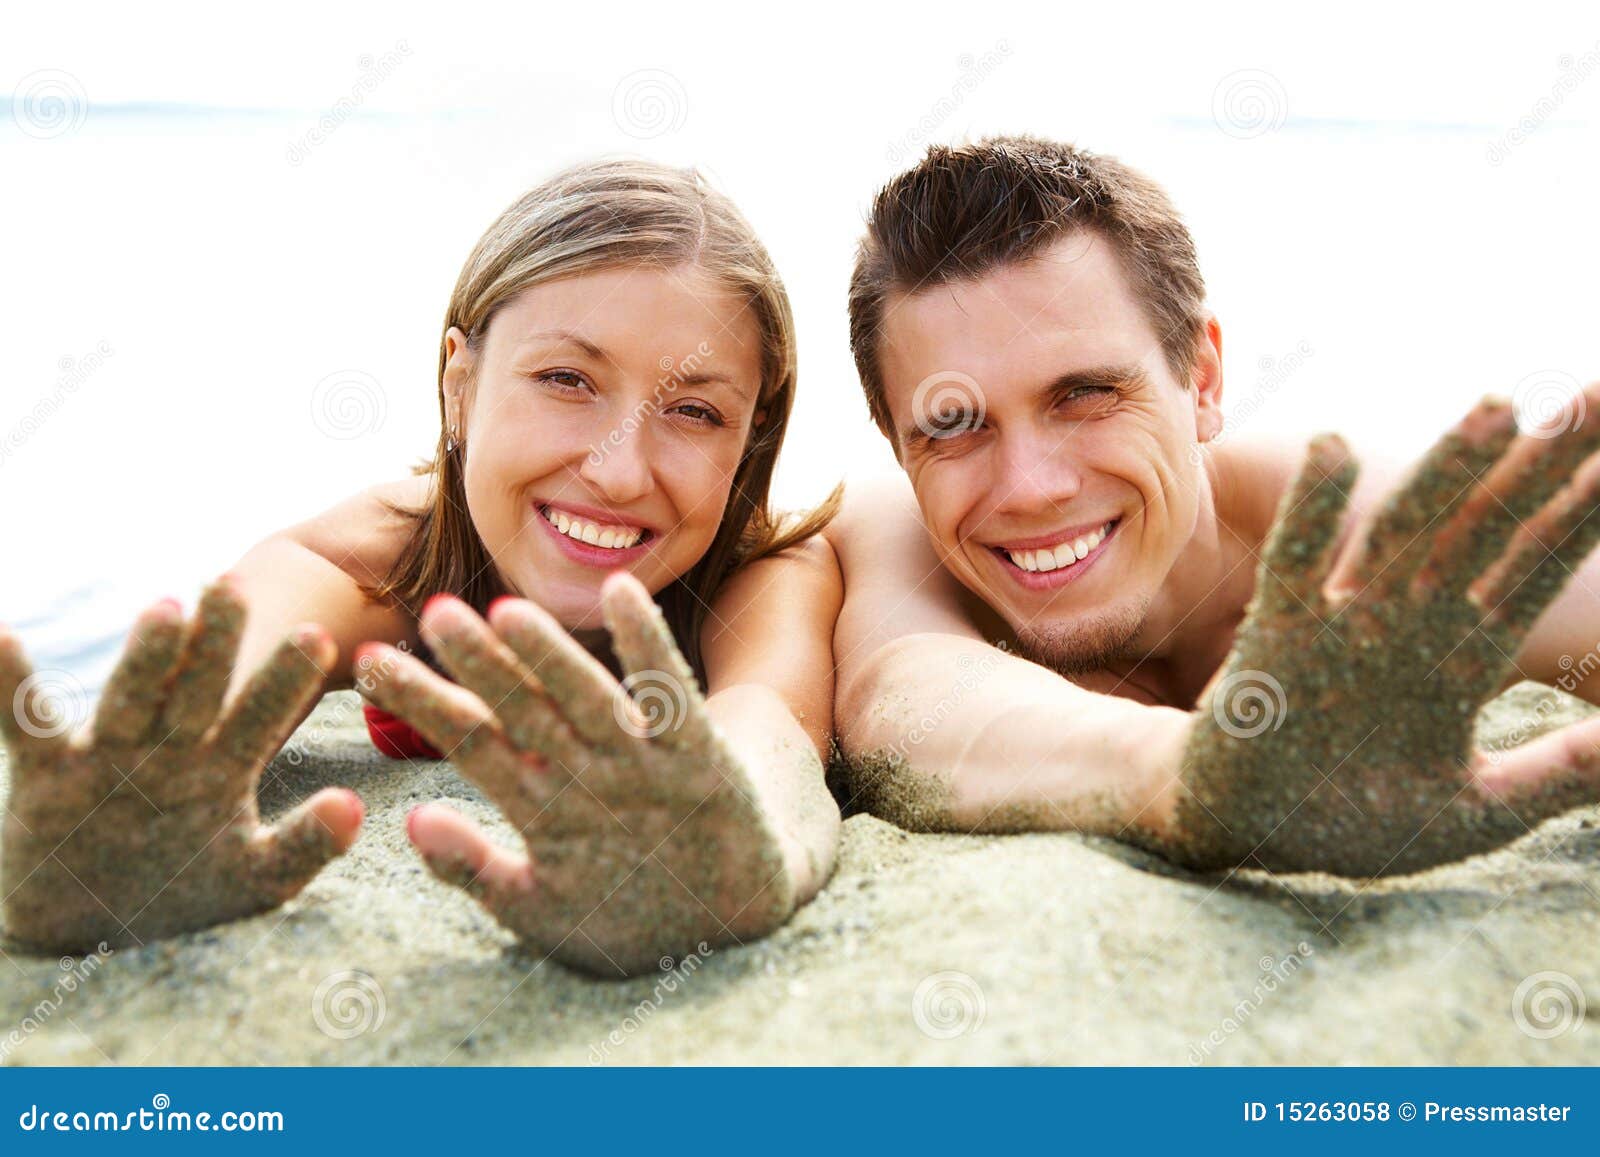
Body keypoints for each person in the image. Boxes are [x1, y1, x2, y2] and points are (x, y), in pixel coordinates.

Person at [0, 159, 843, 976]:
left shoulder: (766, 572)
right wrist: (121, 828)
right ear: (459, 385)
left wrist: (723, 846)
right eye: (565, 379)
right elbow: (219, 700)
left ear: (752, 439)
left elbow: (773, 735)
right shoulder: (380, 554)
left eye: (696, 411)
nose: (621, 471)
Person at [826, 135, 1600, 876]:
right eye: (953, 426)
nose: (1030, 487)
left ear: (1202, 381)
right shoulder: (895, 527)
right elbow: (905, 704)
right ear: (897, 444)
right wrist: (1205, 774)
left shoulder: (1362, 537)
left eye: (1085, 395)